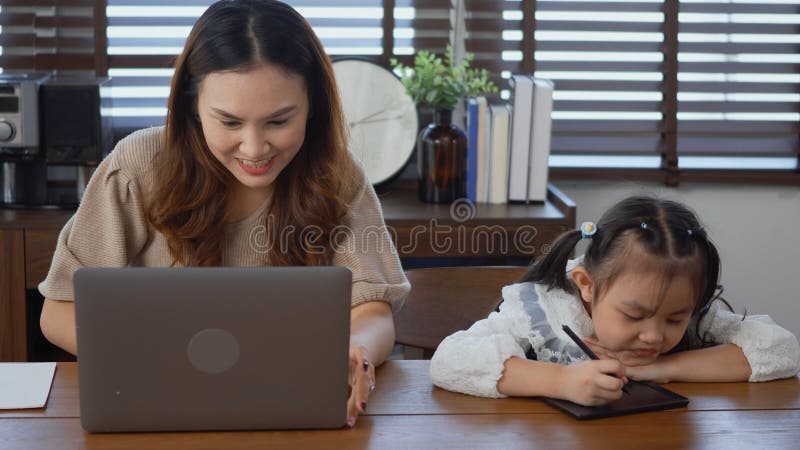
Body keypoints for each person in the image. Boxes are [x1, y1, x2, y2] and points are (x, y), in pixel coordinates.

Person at [38, 0, 409, 427]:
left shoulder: (336, 174)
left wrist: (355, 349)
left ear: (313, 104)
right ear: (193, 106)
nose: (254, 149)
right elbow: (59, 310)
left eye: (279, 121)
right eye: (229, 122)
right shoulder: (138, 165)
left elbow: (373, 310)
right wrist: (154, 356)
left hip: (291, 415)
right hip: (158, 409)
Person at [430, 195, 800, 406]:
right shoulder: (544, 311)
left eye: (674, 319)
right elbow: (449, 361)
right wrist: (561, 381)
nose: (655, 336)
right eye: (635, 315)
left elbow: (780, 350)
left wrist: (660, 369)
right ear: (587, 284)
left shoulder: (688, 313)